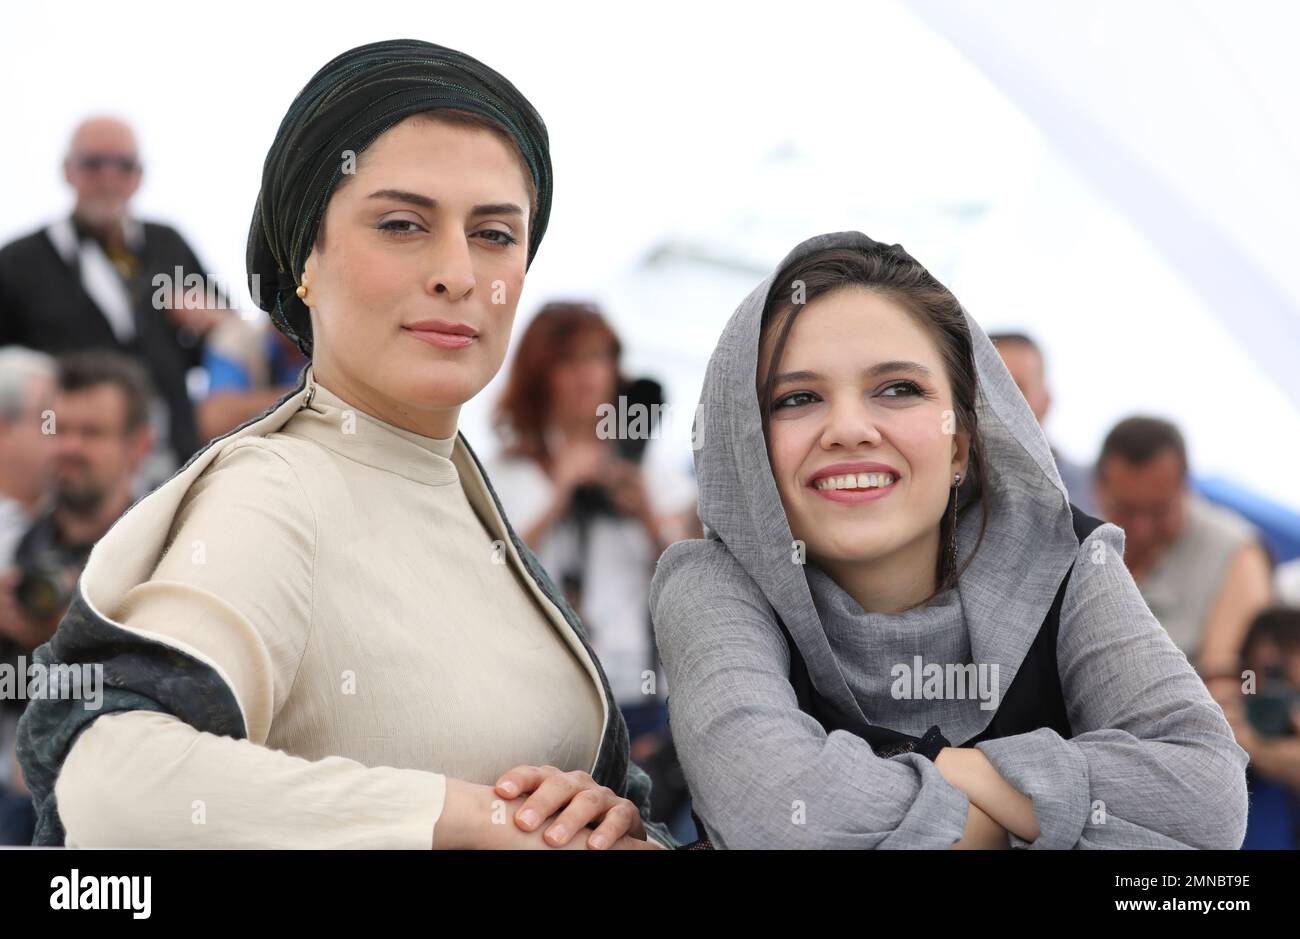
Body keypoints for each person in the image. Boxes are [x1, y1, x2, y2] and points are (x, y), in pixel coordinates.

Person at [17, 39, 670, 850]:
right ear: (305, 262)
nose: (457, 272)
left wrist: (602, 814)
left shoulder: (469, 504)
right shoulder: (278, 487)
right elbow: (111, 782)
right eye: (402, 223)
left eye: (496, 234)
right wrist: (472, 817)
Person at [650, 231, 1248, 849]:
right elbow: (776, 814)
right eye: (797, 398)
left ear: (960, 445)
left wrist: (951, 773)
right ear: (750, 449)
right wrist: (1018, 823)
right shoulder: (712, 582)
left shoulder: (1066, 557)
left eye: (898, 389)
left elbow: (1206, 800)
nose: (849, 428)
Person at [0, 116, 231, 471]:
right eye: (93, 164)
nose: (108, 178)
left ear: (139, 177)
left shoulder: (167, 244)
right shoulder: (19, 261)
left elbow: (225, 334)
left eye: (123, 166)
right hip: (72, 469)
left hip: (174, 458)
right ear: (67, 171)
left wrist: (211, 319)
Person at [1093, 416, 1275, 674]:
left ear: (1186, 488)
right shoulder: (1081, 545)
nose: (1142, 529)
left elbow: (1235, 682)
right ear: (1097, 490)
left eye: (1159, 512)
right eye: (1127, 510)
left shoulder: (1237, 556)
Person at [988, 331, 1098, 517]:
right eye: (987, 388)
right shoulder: (942, 486)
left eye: (1016, 389)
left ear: (1046, 401)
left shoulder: (1094, 490)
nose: (998, 403)